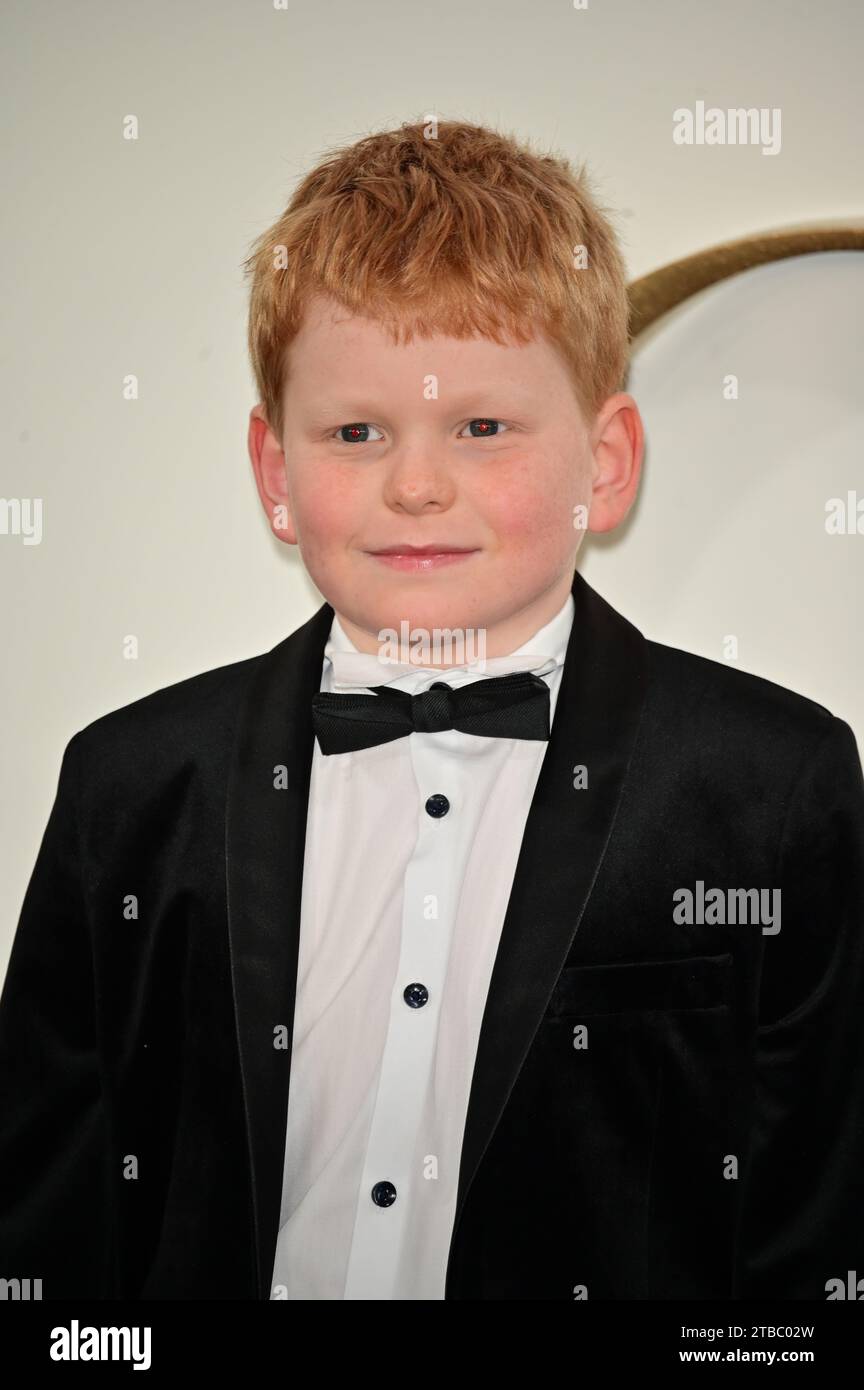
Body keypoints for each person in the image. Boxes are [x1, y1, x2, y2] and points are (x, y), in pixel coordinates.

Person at [1, 118, 862, 1301]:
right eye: (356, 432)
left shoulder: (778, 782)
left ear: (606, 465)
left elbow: (812, 1239)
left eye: (482, 426)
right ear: (274, 475)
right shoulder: (129, 785)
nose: (415, 483)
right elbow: (48, 1227)